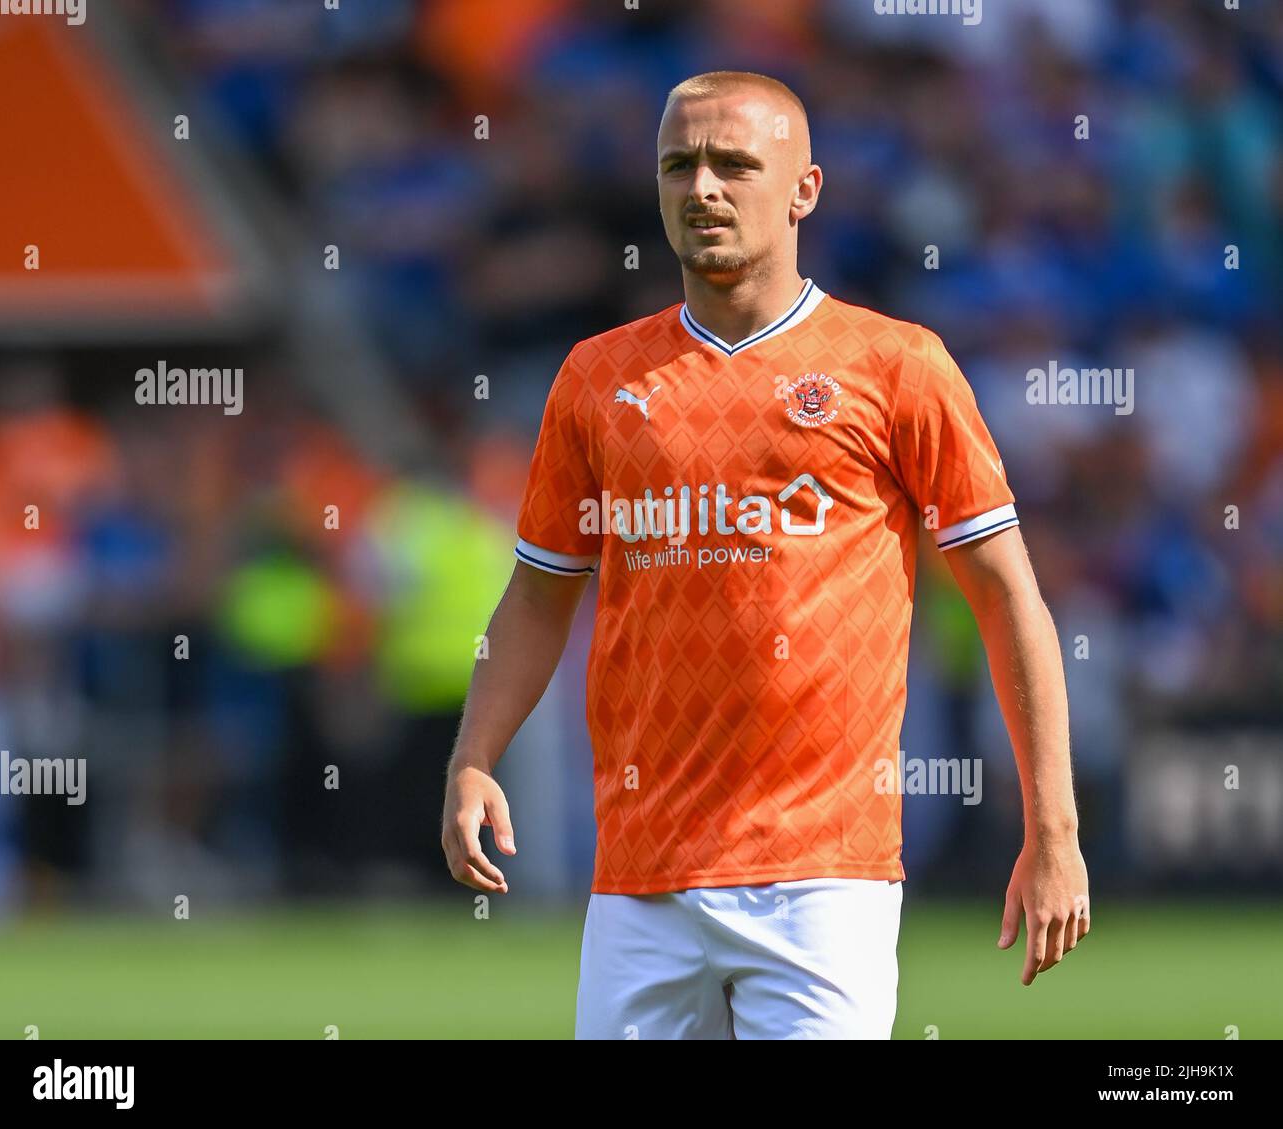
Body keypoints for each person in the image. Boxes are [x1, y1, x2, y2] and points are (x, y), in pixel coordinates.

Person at [442, 70, 1089, 1039]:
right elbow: (539, 594)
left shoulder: (895, 365)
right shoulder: (596, 378)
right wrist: (472, 754)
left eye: (733, 164)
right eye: (679, 165)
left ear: (803, 190)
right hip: (639, 875)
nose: (702, 187)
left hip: (823, 877)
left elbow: (1006, 598)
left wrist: (1054, 832)